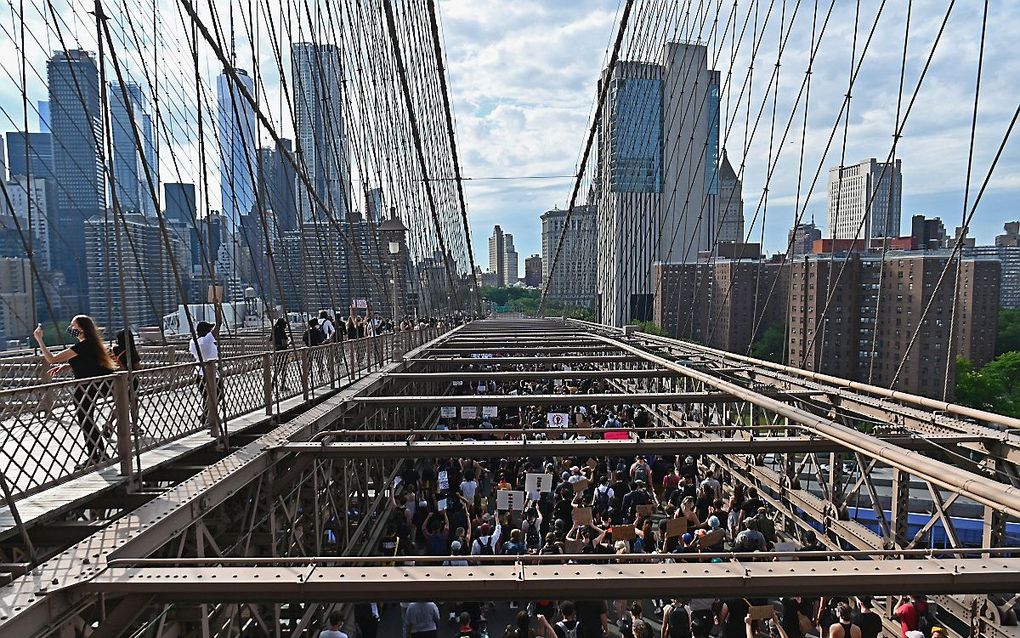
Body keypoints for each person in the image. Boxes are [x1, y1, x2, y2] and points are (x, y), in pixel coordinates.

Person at [34, 315, 117, 466]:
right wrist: (66, 366)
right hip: (94, 385)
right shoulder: (92, 344)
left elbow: (51, 359)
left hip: (85, 387)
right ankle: (100, 454)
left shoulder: (82, 346)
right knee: (88, 420)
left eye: (73, 327)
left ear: (82, 329)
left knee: (85, 421)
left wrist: (39, 339)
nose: (70, 329)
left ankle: (95, 455)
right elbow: (88, 361)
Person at [189, 321, 221, 427]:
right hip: (208, 373)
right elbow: (217, 327)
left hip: (200, 372)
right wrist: (218, 311)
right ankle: (208, 417)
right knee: (215, 394)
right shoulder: (205, 341)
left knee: (207, 396)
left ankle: (207, 416)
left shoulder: (193, 342)